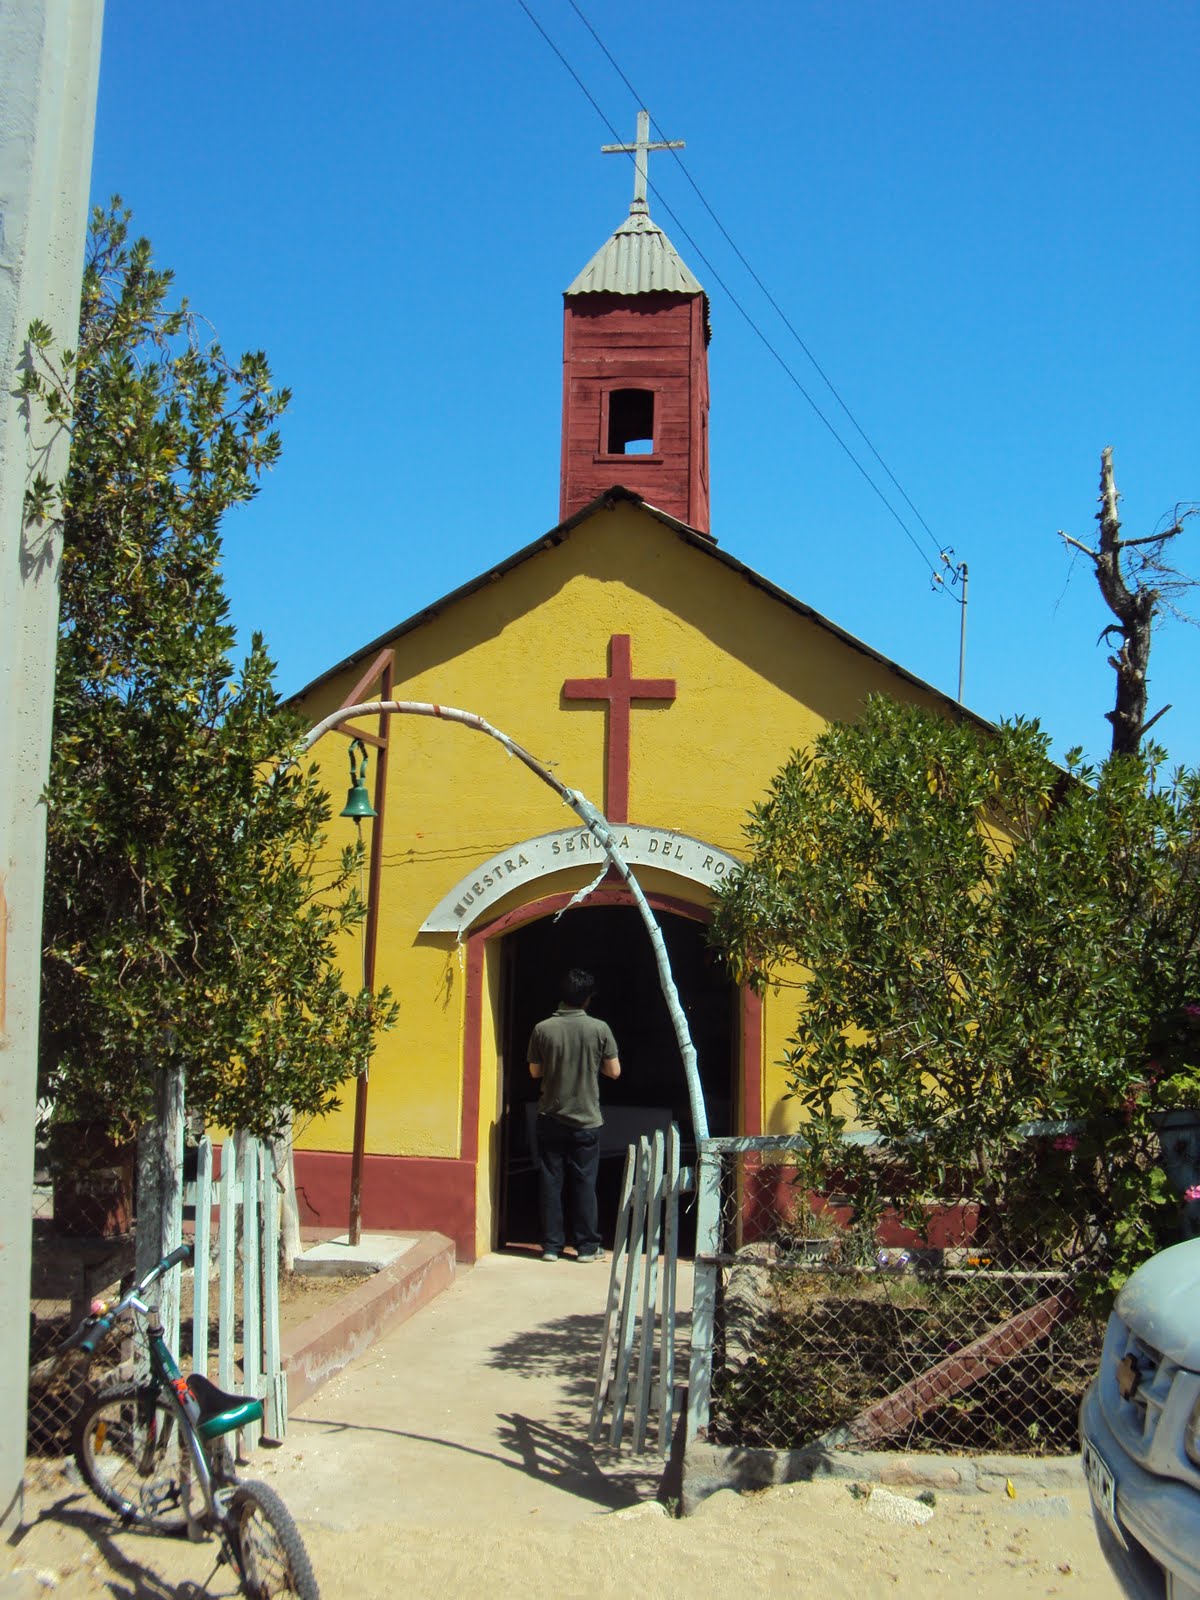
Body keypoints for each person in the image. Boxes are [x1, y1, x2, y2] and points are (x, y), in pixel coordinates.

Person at [527, 968, 620, 1262]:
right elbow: (614, 1071)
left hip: (550, 1117)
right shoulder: (599, 1029)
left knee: (551, 1182)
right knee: (585, 1183)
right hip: (587, 1120)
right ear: (588, 999)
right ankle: (587, 1246)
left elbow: (534, 1071)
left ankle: (552, 1246)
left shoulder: (543, 1029)